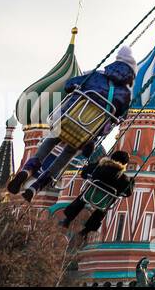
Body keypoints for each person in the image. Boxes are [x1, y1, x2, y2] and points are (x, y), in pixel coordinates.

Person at [8, 46, 137, 200]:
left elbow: (69, 85)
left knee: (49, 141)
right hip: (86, 134)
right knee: (67, 154)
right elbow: (121, 117)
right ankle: (37, 187)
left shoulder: (96, 76)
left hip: (67, 120)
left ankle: (27, 171)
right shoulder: (126, 95)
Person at [60, 150, 133, 237]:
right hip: (103, 203)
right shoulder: (124, 179)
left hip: (89, 195)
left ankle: (67, 220)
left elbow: (83, 174)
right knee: (103, 209)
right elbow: (128, 193)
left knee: (82, 198)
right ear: (124, 164)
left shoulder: (99, 166)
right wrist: (131, 182)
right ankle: (86, 231)